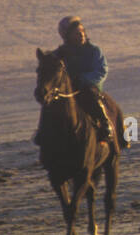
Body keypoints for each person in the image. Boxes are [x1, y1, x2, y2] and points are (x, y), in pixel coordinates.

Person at [44, 16, 115, 144]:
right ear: (67, 36)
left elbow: (101, 71)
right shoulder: (59, 54)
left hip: (87, 88)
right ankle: (42, 134)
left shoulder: (94, 51)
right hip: (66, 91)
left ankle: (105, 126)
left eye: (82, 31)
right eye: (77, 33)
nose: (81, 35)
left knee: (91, 96)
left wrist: (83, 79)